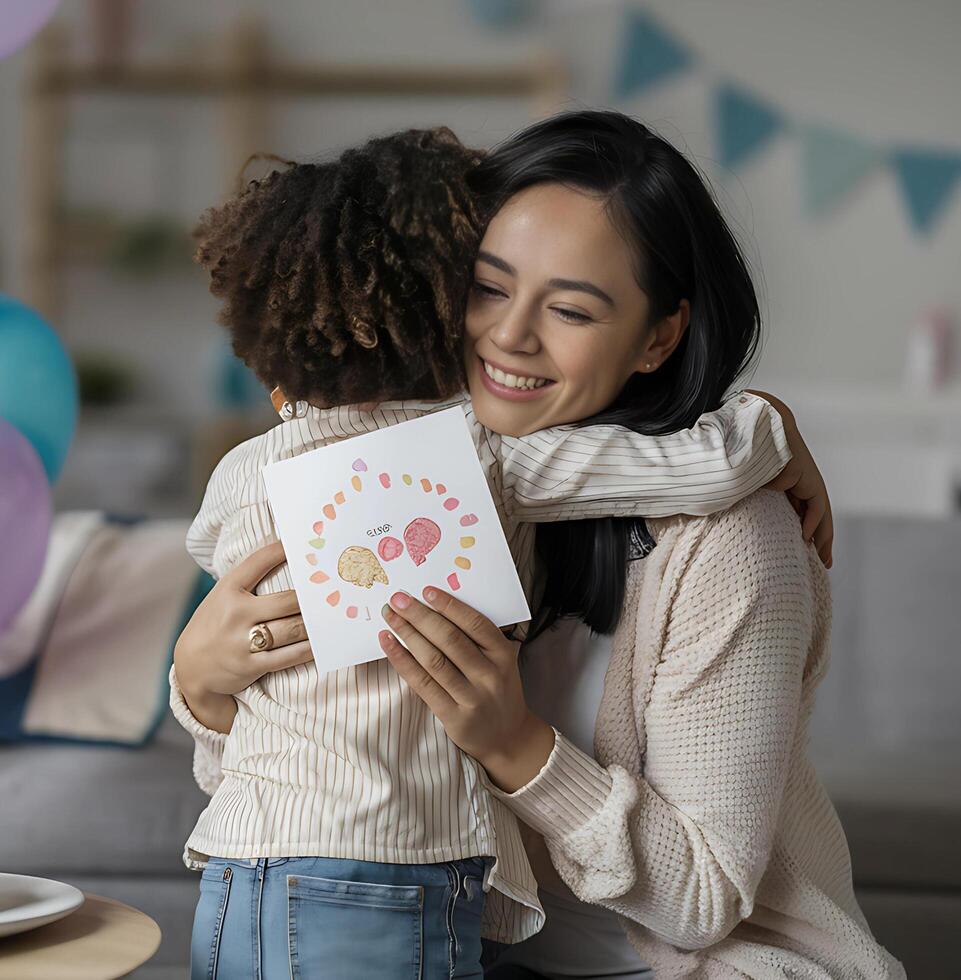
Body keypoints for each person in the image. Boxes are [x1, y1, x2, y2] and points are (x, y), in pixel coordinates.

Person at [174, 124, 838, 979]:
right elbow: (303, 796)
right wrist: (204, 686)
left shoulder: (726, 539)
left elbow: (701, 905)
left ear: (657, 338)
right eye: (485, 289)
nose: (511, 337)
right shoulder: (428, 472)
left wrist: (515, 745)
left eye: (570, 310)